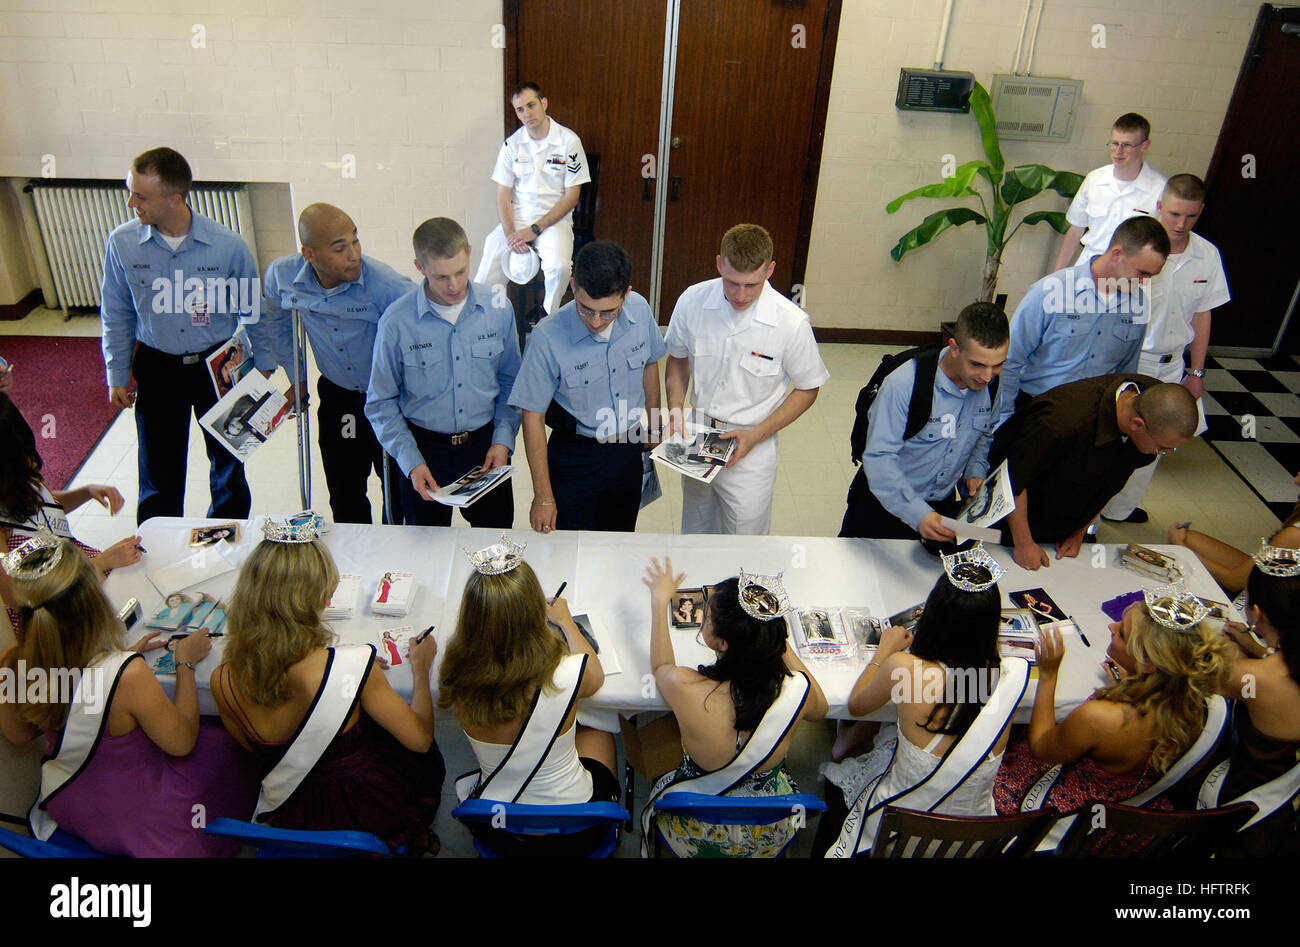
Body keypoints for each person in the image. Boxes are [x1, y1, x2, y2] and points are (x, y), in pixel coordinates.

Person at [0, 536, 259, 856]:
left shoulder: (13, 659)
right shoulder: (128, 675)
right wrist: (185, 663)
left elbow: (18, 733)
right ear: (92, 600)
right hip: (144, 824)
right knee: (232, 743)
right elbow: (181, 742)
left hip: (70, 805)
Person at [210, 516, 445, 852]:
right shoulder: (353, 665)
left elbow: (251, 751)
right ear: (314, 599)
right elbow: (420, 740)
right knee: (423, 758)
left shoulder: (222, 679)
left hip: (289, 811)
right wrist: (420, 671)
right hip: (360, 810)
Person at [100, 147, 276, 525]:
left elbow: (252, 308)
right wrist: (116, 373)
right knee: (158, 471)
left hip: (219, 366)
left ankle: (228, 537)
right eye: (130, 190)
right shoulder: (122, 243)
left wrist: (264, 365)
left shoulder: (228, 245)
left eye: (141, 195)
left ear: (174, 198)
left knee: (229, 463)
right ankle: (158, 545)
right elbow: (116, 311)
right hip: (157, 366)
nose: (131, 202)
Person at [822, 546, 1028, 857]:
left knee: (875, 740)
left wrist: (884, 652)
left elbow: (857, 705)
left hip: (902, 831)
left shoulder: (906, 668)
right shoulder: (1010, 672)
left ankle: (844, 747)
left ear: (933, 614)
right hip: (971, 839)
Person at [625, 561, 828, 857]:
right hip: (768, 828)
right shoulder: (797, 690)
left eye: (706, 617)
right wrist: (770, 640)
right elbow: (820, 710)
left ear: (720, 643)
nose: (704, 619)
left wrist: (659, 602)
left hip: (696, 825)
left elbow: (660, 667)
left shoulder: (686, 687)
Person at [438, 538, 618, 856]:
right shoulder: (565, 671)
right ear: (534, 610)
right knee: (600, 724)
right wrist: (564, 621)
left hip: (501, 832)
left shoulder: (457, 678)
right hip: (577, 831)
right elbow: (595, 680)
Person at [995, 592, 1233, 817]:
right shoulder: (1193, 701)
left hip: (1069, 812)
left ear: (1148, 663)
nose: (1111, 627)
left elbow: (1042, 748)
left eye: (1122, 633)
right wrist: (1134, 680)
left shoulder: (1100, 717)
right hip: (1130, 805)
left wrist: (1049, 675)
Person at [664, 224, 829, 535]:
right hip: (700, 433)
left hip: (752, 443)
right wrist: (675, 407)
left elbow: (807, 388)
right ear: (719, 264)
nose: (740, 295)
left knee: (745, 541)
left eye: (751, 285)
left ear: (770, 270)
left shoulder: (790, 322)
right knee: (696, 530)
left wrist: (756, 434)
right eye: (732, 283)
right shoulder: (693, 301)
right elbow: (677, 357)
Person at [262, 203, 416, 524]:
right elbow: (275, 318)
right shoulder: (282, 276)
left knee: (398, 495)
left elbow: (422, 331)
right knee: (344, 491)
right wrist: (296, 376)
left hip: (388, 400)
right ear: (310, 253)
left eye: (355, 240)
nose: (354, 254)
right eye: (339, 248)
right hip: (338, 396)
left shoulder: (386, 285)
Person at [366, 217, 521, 529]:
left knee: (495, 543)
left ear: (469, 252)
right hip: (424, 450)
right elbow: (380, 402)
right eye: (441, 277)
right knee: (425, 551)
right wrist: (411, 462)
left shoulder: (498, 308)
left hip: (486, 446)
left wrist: (503, 440)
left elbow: (511, 383)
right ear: (419, 267)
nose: (454, 286)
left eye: (461, 272)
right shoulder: (396, 322)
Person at [508, 241, 666, 533]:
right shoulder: (547, 337)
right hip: (574, 456)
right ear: (573, 285)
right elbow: (533, 417)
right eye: (585, 309)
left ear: (626, 294)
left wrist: (655, 424)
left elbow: (650, 363)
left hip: (626, 449)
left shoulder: (640, 309)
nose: (595, 321)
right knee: (569, 548)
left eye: (608, 312)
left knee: (619, 540)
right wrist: (543, 497)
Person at [1101, 174, 1231, 524]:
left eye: (1190, 217)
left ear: (1201, 212)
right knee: (1111, 437)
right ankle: (1091, 515)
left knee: (1154, 444)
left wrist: (1197, 372)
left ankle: (1120, 509)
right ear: (1160, 206)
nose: (1180, 224)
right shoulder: (1138, 247)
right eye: (1174, 214)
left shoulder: (1207, 255)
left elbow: (1203, 316)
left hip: (1172, 365)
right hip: (1129, 359)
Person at [989, 375, 1198, 571]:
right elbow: (1012, 481)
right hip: (1014, 519)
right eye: (1163, 447)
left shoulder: (1152, 399)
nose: (1166, 454)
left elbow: (1112, 480)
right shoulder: (1061, 422)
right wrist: (1024, 543)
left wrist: (1079, 531)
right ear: (1137, 425)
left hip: (1064, 521)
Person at [841, 302, 1008, 545]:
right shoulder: (904, 384)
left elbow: (983, 436)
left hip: (941, 509)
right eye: (977, 364)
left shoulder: (991, 385)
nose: (987, 375)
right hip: (883, 508)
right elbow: (879, 459)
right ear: (954, 348)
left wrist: (975, 473)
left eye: (998, 364)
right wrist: (917, 514)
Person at [997, 215, 1171, 428]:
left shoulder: (1139, 305)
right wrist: (1004, 419)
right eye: (1141, 273)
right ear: (1117, 254)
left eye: (1150, 276)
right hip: (1036, 411)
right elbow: (1011, 360)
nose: (1144, 282)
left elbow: (1127, 370)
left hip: (1092, 419)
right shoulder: (1050, 292)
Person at [0, 394, 142, 631]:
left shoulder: (19, 479)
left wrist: (86, 492)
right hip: (55, 618)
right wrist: (98, 564)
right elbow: (20, 599)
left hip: (77, 570)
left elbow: (44, 507)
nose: (31, 461)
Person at [1203, 545, 1300, 856]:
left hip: (1248, 797)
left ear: (1256, 613)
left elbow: (1187, 680)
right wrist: (1257, 648)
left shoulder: (1251, 677)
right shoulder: (1271, 668)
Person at [473, 82, 590, 317]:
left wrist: (536, 229)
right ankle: (481, 322)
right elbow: (503, 196)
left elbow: (572, 197)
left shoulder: (568, 142)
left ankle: (549, 319)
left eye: (531, 105)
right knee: (486, 269)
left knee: (558, 268)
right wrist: (510, 236)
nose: (527, 114)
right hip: (517, 220)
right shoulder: (511, 145)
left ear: (543, 103)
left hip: (554, 219)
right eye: (520, 109)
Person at [1053, 112, 1166, 271]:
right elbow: (1076, 230)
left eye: (1126, 145)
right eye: (1114, 143)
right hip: (1088, 267)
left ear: (1144, 146)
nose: (1118, 151)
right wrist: (1056, 275)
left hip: (1129, 273)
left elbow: (1164, 242)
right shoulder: (1094, 179)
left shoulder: (1160, 189)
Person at [1166, 472, 1300, 595]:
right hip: (1283, 583)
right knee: (1190, 539)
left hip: (1285, 602)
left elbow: (1233, 582)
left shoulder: (1293, 535)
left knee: (1182, 550)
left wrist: (1180, 546)